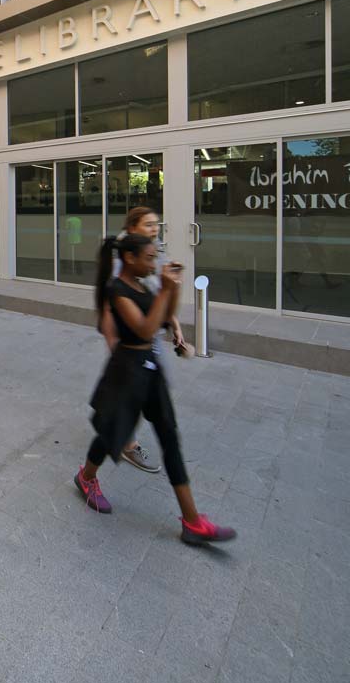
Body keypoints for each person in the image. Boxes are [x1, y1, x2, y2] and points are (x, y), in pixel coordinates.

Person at [72, 231, 235, 545]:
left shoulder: (141, 284)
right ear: (129, 259)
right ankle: (87, 476)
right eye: (148, 258)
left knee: (169, 438)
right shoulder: (116, 290)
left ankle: (192, 521)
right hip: (126, 373)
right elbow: (144, 329)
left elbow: (161, 319)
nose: (153, 262)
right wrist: (162, 289)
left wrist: (171, 287)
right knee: (111, 435)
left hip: (150, 371)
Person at [96, 207, 190, 475]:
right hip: (133, 344)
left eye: (156, 224)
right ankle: (122, 443)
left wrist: (174, 324)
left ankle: (117, 437)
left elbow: (155, 294)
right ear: (133, 226)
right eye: (149, 224)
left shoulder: (149, 251)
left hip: (147, 340)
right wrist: (115, 345)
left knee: (141, 398)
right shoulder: (122, 262)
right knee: (135, 398)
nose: (155, 228)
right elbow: (109, 306)